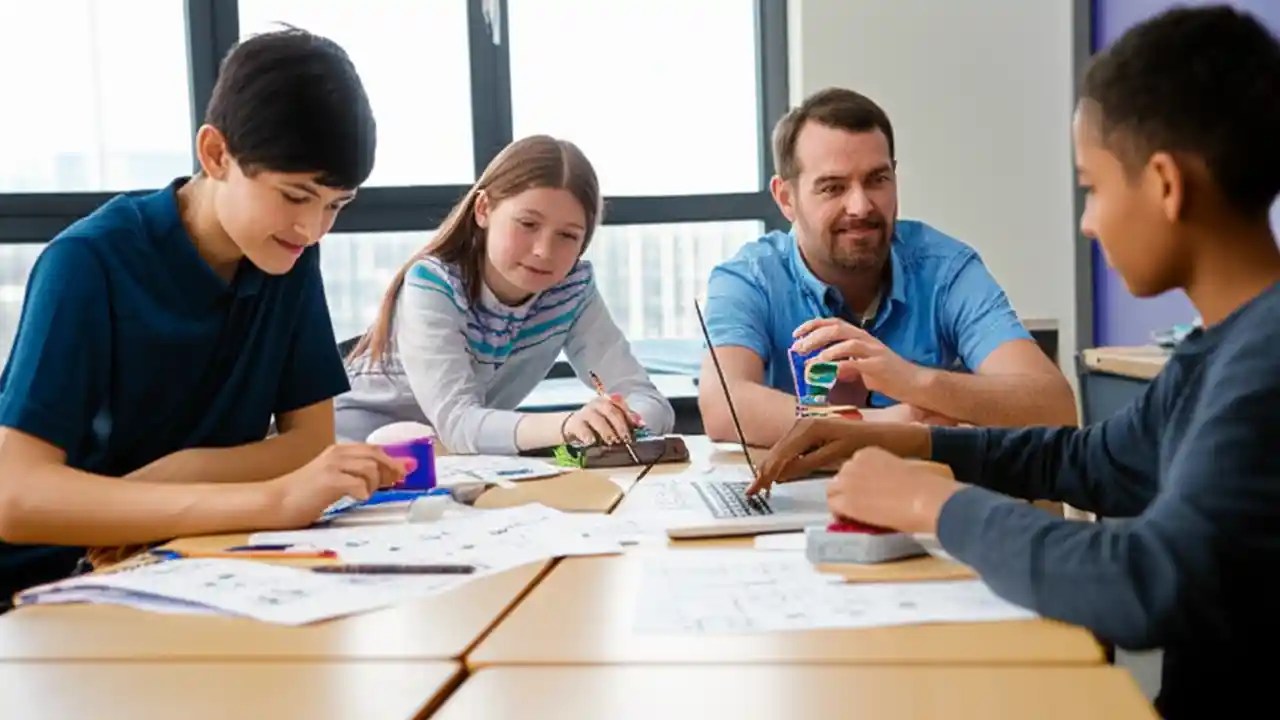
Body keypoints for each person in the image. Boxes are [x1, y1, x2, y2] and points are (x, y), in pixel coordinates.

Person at [751, 7, 1280, 718]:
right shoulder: (1221, 348)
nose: (1088, 221)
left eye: (1092, 187)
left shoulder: (1264, 365)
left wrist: (926, 502)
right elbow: (1095, 461)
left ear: (1164, 184)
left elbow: (1147, 582)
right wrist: (905, 440)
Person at [0, 28, 410, 603]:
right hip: (48, 589)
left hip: (181, 559)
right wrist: (270, 500)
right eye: (295, 196)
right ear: (216, 154)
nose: (313, 228)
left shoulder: (288, 255)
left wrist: (178, 472)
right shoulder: (88, 263)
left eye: (336, 205)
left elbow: (309, 441)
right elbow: (15, 497)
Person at [699, 87, 1077, 447]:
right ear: (786, 198)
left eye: (877, 180)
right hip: (793, 509)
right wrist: (878, 426)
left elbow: (1054, 406)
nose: (861, 206)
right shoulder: (749, 278)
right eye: (832, 187)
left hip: (921, 505)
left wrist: (913, 381)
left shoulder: (945, 270)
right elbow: (723, 405)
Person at [336, 135, 674, 454]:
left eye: (568, 236)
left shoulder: (571, 289)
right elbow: (457, 422)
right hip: (349, 452)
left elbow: (649, 400)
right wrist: (570, 425)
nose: (544, 250)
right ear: (483, 209)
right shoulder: (434, 283)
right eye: (528, 224)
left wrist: (619, 420)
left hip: (452, 464)